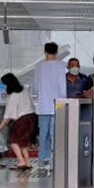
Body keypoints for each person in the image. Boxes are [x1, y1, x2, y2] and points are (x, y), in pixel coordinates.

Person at [33, 42, 66, 171]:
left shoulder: (39, 66)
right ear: (57, 53)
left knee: (43, 134)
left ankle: (43, 159)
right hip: (57, 105)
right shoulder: (61, 66)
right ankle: (54, 160)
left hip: (42, 106)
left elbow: (35, 87)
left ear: (45, 52)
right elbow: (62, 88)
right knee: (55, 134)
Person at [0, 72, 36, 170]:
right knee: (23, 142)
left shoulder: (13, 95)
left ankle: (21, 161)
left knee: (13, 141)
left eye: (4, 85)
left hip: (22, 120)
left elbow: (8, 115)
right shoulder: (25, 90)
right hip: (32, 118)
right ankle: (28, 162)